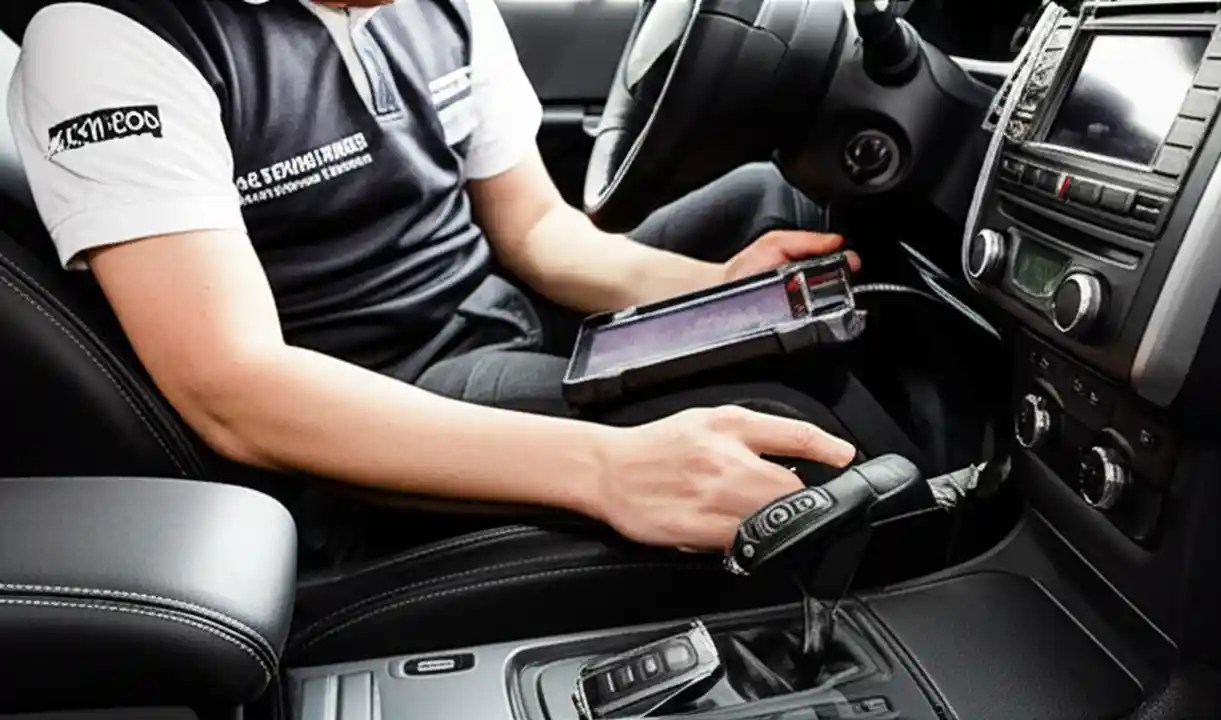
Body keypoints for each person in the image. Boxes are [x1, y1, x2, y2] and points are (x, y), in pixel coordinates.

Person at [7, 0, 872, 552]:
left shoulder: (444, 8)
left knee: (772, 205)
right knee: (780, 427)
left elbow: (537, 232)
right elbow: (233, 388)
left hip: (497, 318)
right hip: (373, 394)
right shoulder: (113, 35)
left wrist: (713, 290)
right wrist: (608, 467)